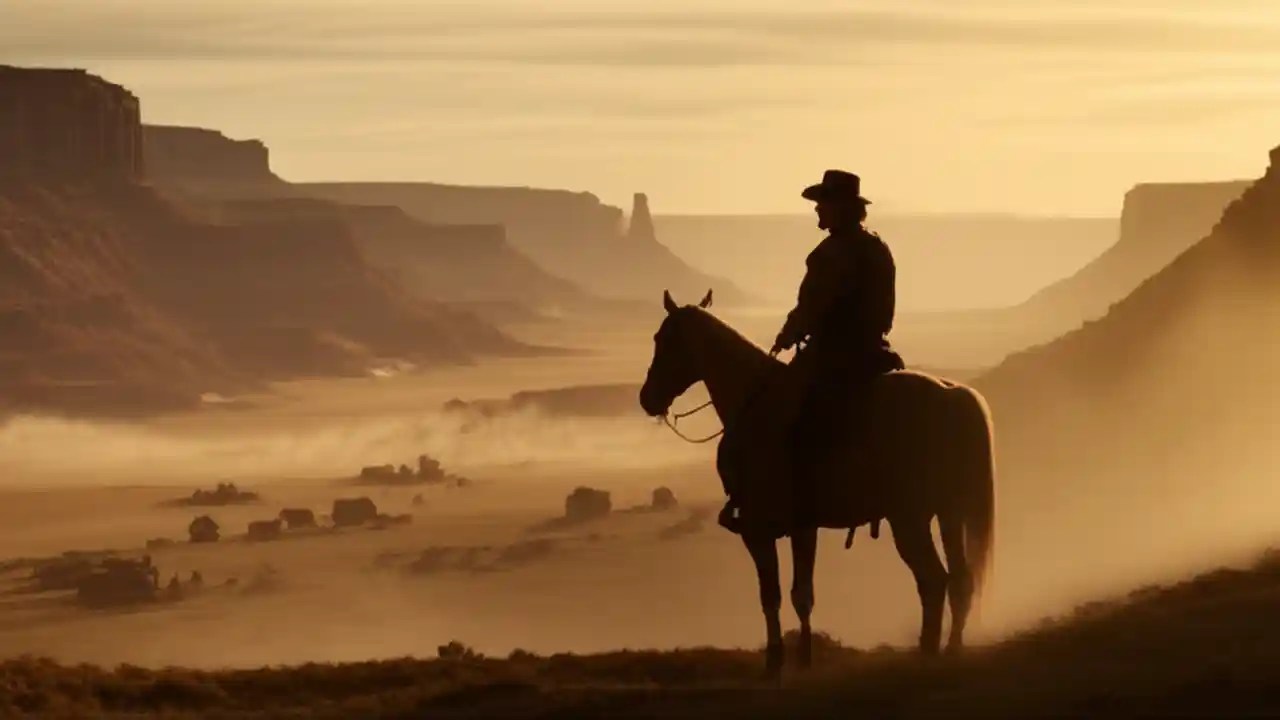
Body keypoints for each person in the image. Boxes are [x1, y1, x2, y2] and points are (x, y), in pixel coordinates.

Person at [718, 170, 903, 532]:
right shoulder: (877, 247)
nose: (817, 211)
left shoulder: (830, 253)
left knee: (777, 412)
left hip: (834, 356)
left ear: (841, 209)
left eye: (823, 204)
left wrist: (788, 335)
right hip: (875, 353)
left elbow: (812, 305)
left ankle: (783, 498)